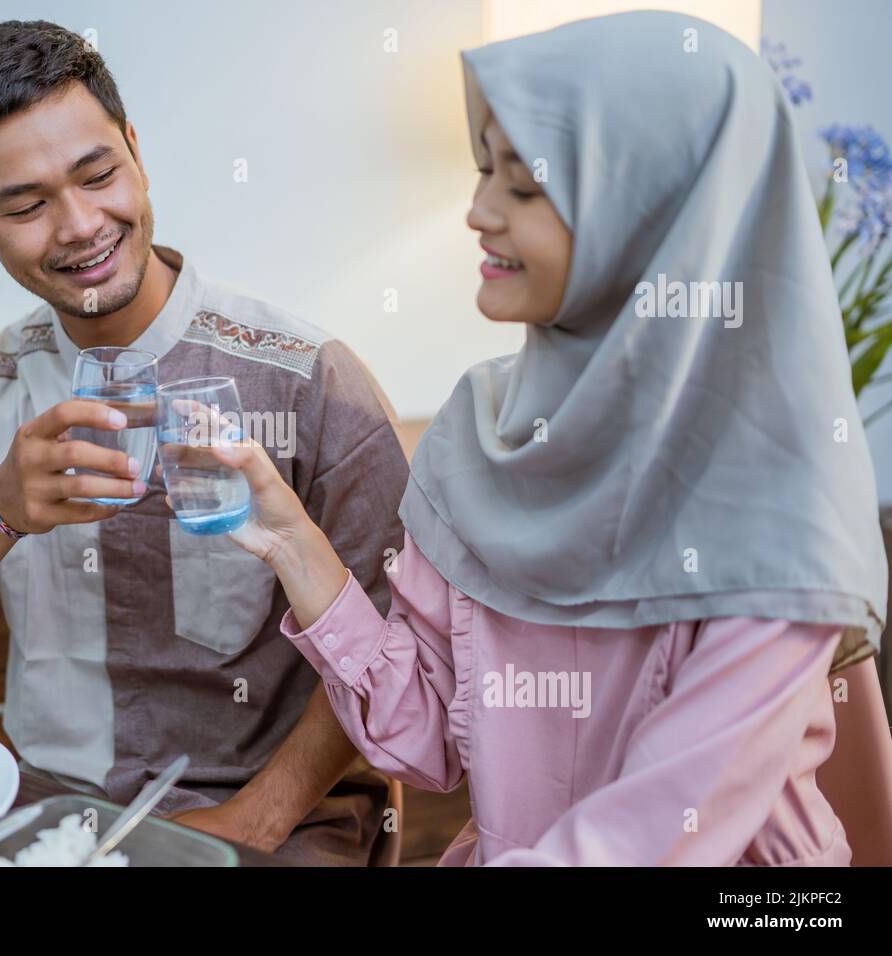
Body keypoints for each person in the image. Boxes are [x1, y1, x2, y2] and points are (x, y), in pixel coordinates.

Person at [209, 11, 890, 865]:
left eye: (524, 185)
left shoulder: (781, 497)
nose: (477, 211)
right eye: (481, 169)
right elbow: (423, 741)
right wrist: (289, 540)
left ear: (657, 210)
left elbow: (653, 836)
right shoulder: (482, 429)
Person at [0, 20, 409, 865]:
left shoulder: (306, 377)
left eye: (98, 175)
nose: (79, 225)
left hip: (276, 820)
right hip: (51, 818)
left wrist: (256, 818)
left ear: (135, 152)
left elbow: (396, 640)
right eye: (25, 206)